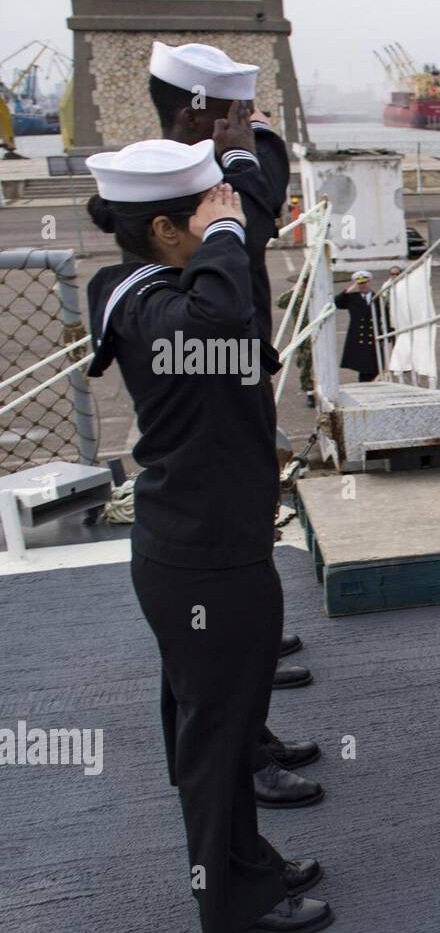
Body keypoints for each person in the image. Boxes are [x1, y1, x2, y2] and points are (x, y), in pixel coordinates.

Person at [84, 140, 333, 933]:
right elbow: (224, 316)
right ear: (164, 230)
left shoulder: (162, 289)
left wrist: (227, 225)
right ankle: (231, 899)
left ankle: (244, 860)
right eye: (208, 211)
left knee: (219, 723)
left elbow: (236, 329)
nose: (229, 219)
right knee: (217, 738)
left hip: (207, 545)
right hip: (200, 560)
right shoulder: (153, 307)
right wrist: (226, 238)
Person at [149, 41, 322, 808]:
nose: (243, 126)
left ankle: (250, 731)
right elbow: (250, 227)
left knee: (248, 548)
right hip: (208, 397)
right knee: (222, 577)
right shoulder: (174, 176)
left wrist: (250, 152)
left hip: (238, 378)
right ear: (200, 113)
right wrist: (245, 156)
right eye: (231, 113)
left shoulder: (204, 166)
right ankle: (238, 755)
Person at [335, 271, 382, 382]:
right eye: (360, 283)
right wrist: (348, 290)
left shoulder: (377, 297)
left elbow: (384, 316)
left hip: (374, 335)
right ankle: (364, 384)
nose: (362, 285)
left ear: (368, 282)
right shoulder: (352, 297)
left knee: (375, 366)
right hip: (359, 336)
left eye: (364, 283)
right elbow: (337, 303)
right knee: (363, 367)